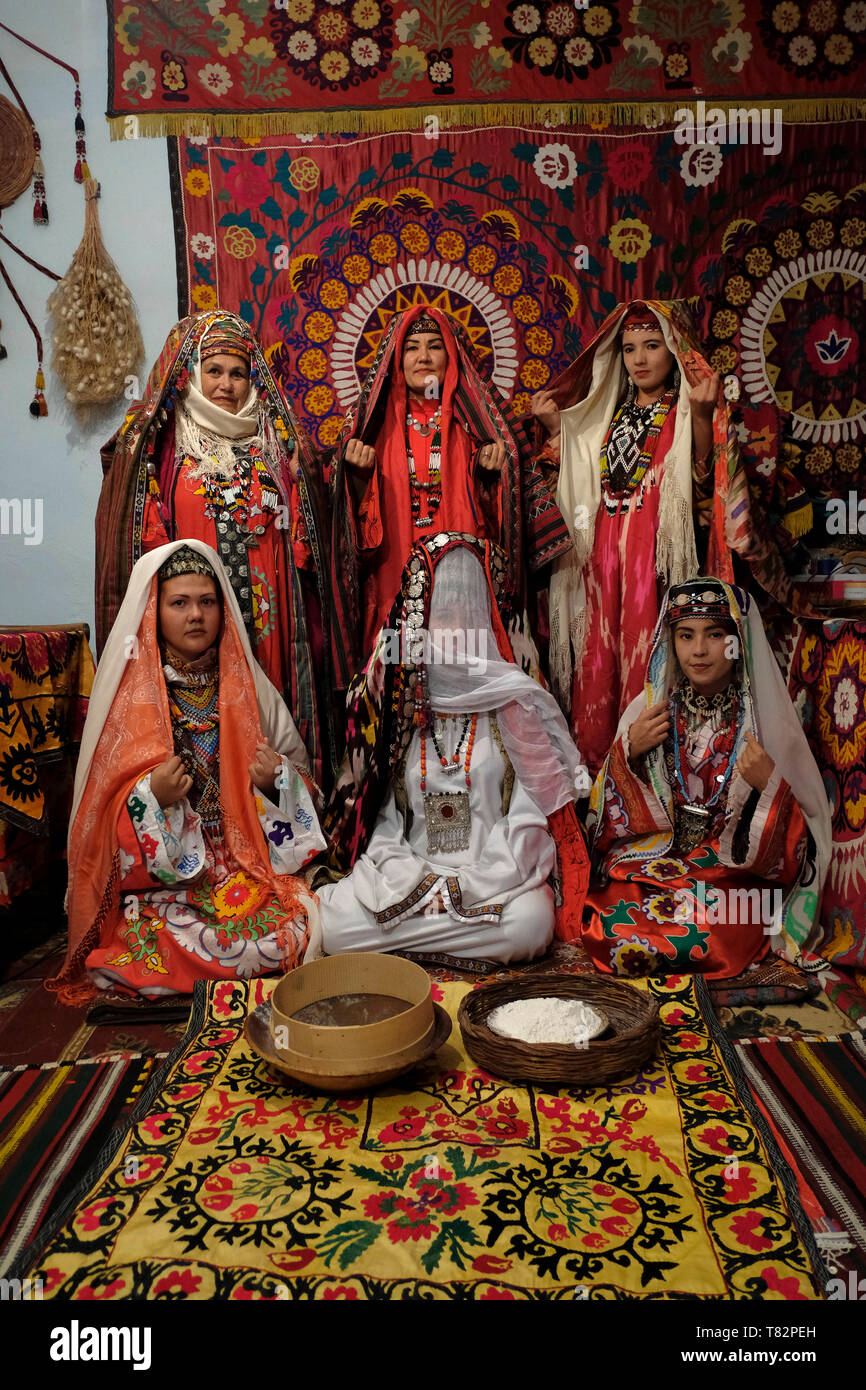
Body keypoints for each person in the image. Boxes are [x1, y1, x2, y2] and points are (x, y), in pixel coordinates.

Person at [49, 541, 326, 1002]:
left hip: (245, 868)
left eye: (207, 601)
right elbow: (96, 818)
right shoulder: (127, 699)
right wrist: (146, 795)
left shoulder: (252, 688)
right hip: (169, 883)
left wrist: (275, 782)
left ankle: (193, 976)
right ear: (154, 612)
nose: (196, 615)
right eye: (179, 603)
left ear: (223, 609)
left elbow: (304, 781)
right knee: (147, 944)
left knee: (297, 927)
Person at [531, 299, 779, 779]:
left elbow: (704, 479)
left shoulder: (684, 412)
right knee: (596, 659)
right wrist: (558, 429)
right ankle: (600, 781)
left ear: (675, 352)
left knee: (649, 652)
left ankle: (651, 782)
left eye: (652, 345)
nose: (640, 359)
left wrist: (704, 416)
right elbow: (579, 472)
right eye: (628, 349)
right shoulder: (605, 412)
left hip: (654, 558)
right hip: (600, 558)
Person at [317, 535, 589, 962]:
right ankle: (446, 933)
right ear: (419, 620)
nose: (455, 625)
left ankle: (414, 940)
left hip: (496, 884)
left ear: (489, 620)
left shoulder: (515, 702)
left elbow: (528, 818)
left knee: (531, 925)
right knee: (334, 924)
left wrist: (467, 887)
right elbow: (382, 820)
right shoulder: (397, 702)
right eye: (442, 611)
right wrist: (415, 883)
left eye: (468, 610)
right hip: (407, 882)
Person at [95, 309, 334, 785]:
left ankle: (274, 812)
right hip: (194, 621)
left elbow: (311, 539)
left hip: (272, 625)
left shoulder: (277, 443)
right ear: (191, 374)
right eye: (214, 370)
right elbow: (143, 546)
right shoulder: (161, 446)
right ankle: (202, 822)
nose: (226, 384)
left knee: (269, 732)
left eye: (238, 373)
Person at [581, 578, 832, 980]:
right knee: (608, 926)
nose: (698, 650)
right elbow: (599, 813)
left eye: (715, 635)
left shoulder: (768, 724)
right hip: (657, 863)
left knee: (707, 936)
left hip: (730, 875)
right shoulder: (648, 712)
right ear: (671, 641)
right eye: (685, 635)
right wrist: (628, 754)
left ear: (738, 643)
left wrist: (771, 784)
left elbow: (810, 838)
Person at [328, 305, 571, 690]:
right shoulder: (369, 426)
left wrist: (493, 476)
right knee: (399, 695)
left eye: (434, 346)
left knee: (465, 695)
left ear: (452, 356)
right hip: (394, 579)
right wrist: (357, 479)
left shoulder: (479, 425)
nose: (423, 356)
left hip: (462, 590)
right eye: (411, 347)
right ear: (396, 358)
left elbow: (503, 525)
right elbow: (344, 532)